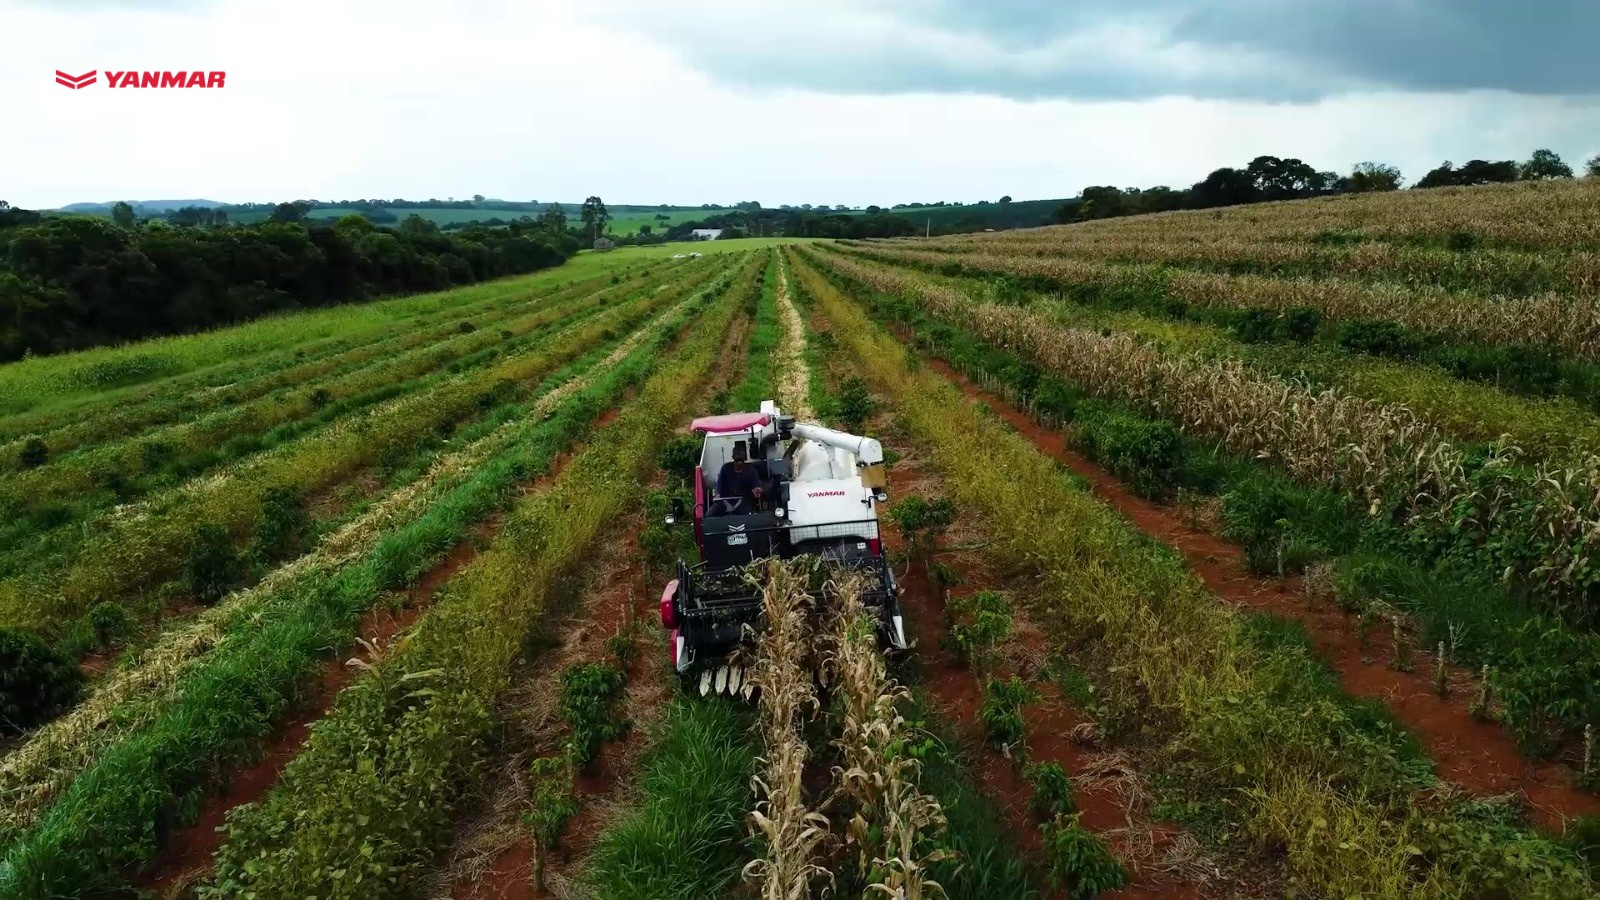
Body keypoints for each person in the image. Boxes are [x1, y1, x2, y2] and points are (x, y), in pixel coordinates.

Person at [715, 443, 763, 512]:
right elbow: (718, 484)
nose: (739, 463)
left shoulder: (751, 470)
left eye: (742, 460)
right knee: (710, 514)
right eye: (737, 460)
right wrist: (717, 494)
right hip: (725, 501)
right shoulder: (725, 468)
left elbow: (757, 486)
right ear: (733, 458)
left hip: (743, 502)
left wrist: (757, 490)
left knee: (749, 512)